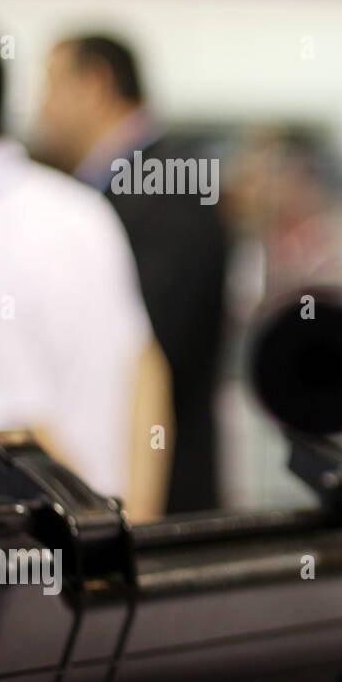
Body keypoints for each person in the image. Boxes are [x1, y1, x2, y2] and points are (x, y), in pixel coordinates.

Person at [0, 29, 171, 521]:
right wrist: (135, 526)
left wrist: (96, 539)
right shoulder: (80, 207)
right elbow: (145, 366)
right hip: (102, 542)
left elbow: (18, 433)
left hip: (28, 562)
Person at [36, 34, 228, 514]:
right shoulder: (106, 193)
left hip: (157, 500)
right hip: (109, 497)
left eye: (52, 87)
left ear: (95, 84)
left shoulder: (171, 184)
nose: (42, 110)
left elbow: (150, 352)